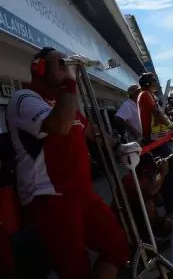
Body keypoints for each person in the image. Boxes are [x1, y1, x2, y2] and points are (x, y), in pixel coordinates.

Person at [5, 47, 129, 279]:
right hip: (50, 198)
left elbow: (94, 132)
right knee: (75, 270)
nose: (66, 68)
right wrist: (71, 82)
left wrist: (122, 146)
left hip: (82, 193)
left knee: (117, 248)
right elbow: (61, 126)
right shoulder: (24, 98)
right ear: (39, 68)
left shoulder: (62, 102)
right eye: (60, 64)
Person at [137, 72, 173, 217]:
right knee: (172, 170)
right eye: (154, 80)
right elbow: (158, 114)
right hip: (156, 142)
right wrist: (171, 127)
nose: (156, 82)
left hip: (158, 140)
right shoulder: (145, 95)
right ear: (147, 83)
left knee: (170, 172)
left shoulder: (148, 95)